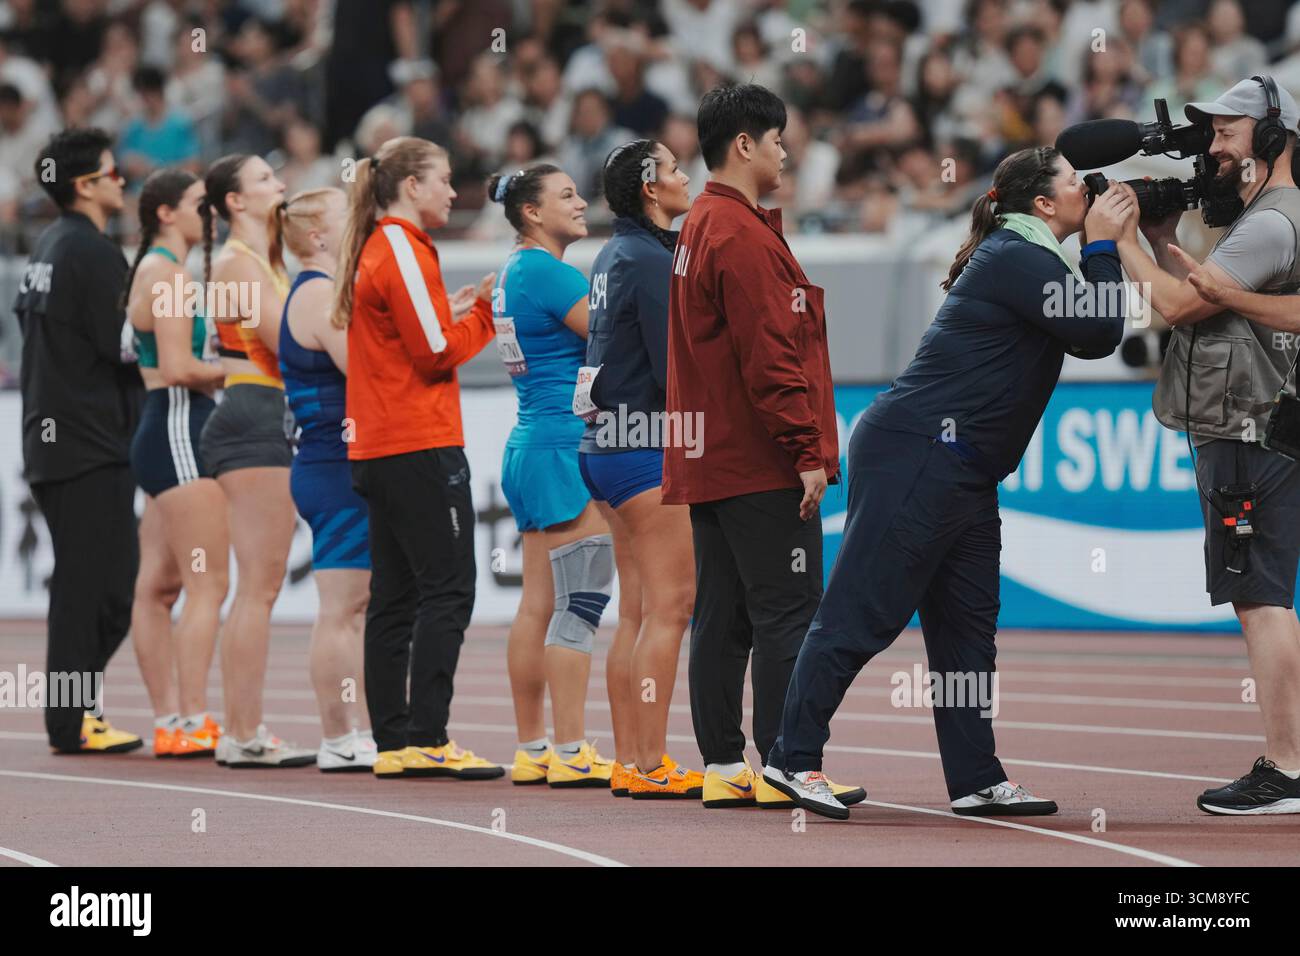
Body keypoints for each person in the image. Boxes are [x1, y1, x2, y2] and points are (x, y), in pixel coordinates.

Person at [765, 145, 1133, 820]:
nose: (1094, 192)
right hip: (919, 454)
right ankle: (791, 759)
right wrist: (1105, 248)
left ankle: (974, 776)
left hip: (960, 468)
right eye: (1079, 183)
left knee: (967, 633)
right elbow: (1098, 330)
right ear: (1044, 205)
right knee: (861, 614)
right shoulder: (1017, 257)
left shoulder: (1024, 255)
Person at [662, 84, 863, 809]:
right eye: (776, 139)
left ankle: (723, 764)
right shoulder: (739, 233)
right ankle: (786, 761)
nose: (785, 151)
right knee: (787, 610)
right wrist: (805, 448)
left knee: (723, 612)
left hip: (712, 456)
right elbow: (771, 356)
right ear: (743, 145)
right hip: (757, 458)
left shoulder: (702, 224)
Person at [1121, 76, 1300, 816]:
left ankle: (1286, 768)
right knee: (1260, 590)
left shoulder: (1270, 221)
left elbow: (1176, 306)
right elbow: (1200, 308)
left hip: (1247, 425)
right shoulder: (1266, 216)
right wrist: (1163, 243)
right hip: (1256, 423)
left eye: (1227, 132)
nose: (1214, 148)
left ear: (1268, 136)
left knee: (1259, 596)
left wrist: (1123, 240)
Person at [335, 135, 503, 781]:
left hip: (381, 445)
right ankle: (427, 736)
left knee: (396, 597)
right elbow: (435, 353)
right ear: (411, 186)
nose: (453, 193)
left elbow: (408, 333)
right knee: (448, 590)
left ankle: (397, 740)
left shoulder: (378, 247)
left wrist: (449, 310)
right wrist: (482, 313)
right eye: (443, 180)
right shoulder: (403, 246)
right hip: (418, 442)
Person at [484, 164, 622, 790]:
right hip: (563, 442)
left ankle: (534, 746)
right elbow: (610, 341)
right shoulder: (548, 271)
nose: (582, 201)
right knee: (584, 599)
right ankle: (569, 749)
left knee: (538, 603)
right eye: (566, 195)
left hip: (530, 440)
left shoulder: (513, 271)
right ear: (532, 212)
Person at [579, 139, 705, 800]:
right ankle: (651, 762)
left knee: (635, 611)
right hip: (642, 449)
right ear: (652, 189)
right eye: (678, 168)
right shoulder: (652, 259)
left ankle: (632, 758)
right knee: (671, 606)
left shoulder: (611, 252)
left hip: (606, 447)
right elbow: (676, 366)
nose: (689, 176)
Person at [13, 127, 143, 754]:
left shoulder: (47, 247)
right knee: (98, 591)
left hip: (56, 439)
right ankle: (69, 717)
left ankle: (76, 709)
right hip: (88, 443)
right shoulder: (90, 252)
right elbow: (122, 345)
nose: (124, 182)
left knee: (91, 587)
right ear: (86, 184)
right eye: (115, 173)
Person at [200, 153, 316, 769]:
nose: (281, 183)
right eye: (266, 179)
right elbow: (290, 339)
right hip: (253, 413)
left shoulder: (263, 261)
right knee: (259, 585)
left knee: (259, 586)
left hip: (264, 412)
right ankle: (242, 732)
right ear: (235, 201)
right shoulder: (234, 263)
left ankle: (243, 729)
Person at [123, 168, 228, 759]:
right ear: (166, 213)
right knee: (209, 581)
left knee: (159, 586)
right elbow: (180, 366)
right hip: (178, 426)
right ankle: (189, 718)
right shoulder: (168, 273)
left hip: (162, 429)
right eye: (198, 204)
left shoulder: (155, 271)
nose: (208, 214)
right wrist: (242, 372)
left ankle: (171, 718)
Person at [273, 186, 378, 772]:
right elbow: (362, 366)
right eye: (347, 218)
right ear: (318, 238)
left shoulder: (321, 291)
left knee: (353, 607)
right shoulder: (316, 294)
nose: (359, 224)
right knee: (342, 607)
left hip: (333, 464)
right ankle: (339, 736)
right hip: (331, 467)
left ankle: (349, 729)